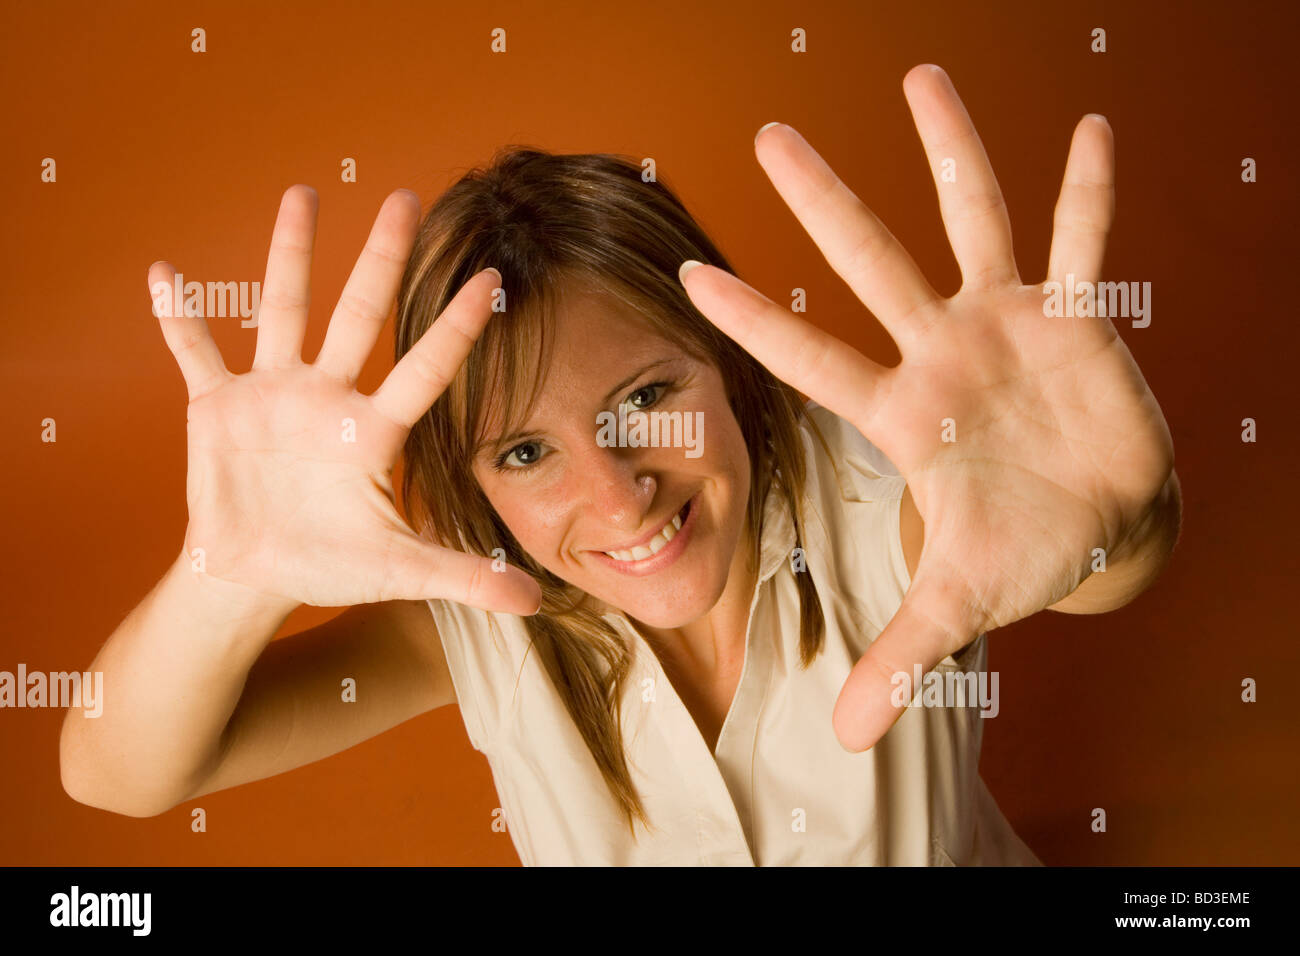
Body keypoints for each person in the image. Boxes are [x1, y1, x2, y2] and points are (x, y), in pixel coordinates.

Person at [59, 64, 1181, 865]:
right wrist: (227, 576)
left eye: (648, 398)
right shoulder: (481, 601)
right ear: (477, 485)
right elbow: (121, 773)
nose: (617, 494)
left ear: (731, 364)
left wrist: (1114, 526)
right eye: (527, 450)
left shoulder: (887, 485)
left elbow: (1078, 564)